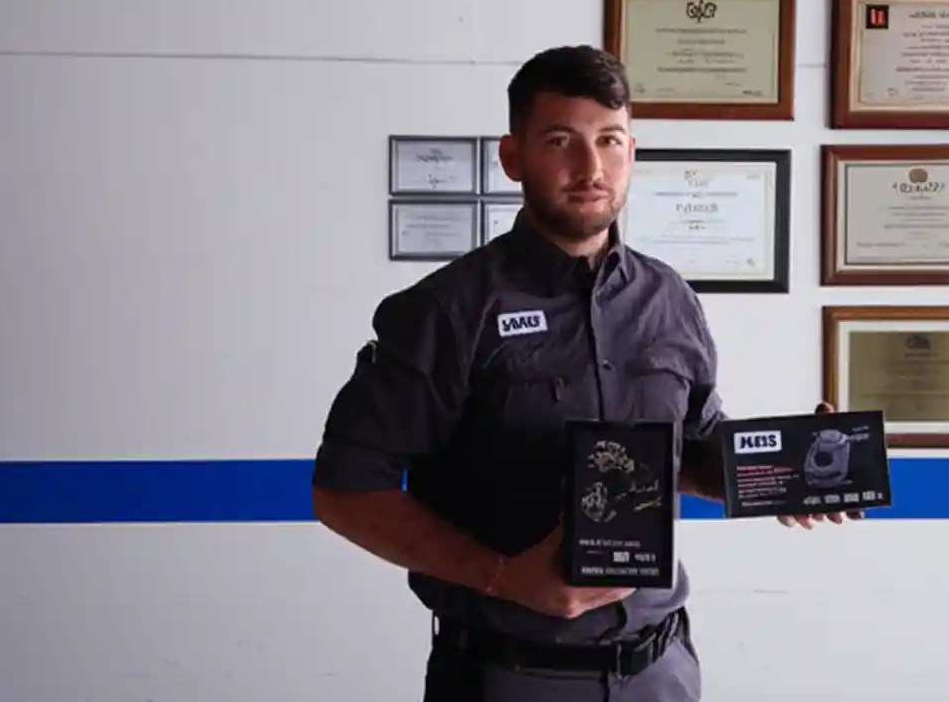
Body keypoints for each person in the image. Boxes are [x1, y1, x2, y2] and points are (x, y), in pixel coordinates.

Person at [311, 44, 856, 702]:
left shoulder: (669, 299)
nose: (591, 167)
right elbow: (344, 490)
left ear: (633, 150)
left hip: (661, 670)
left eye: (610, 141)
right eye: (561, 141)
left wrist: (791, 473)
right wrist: (501, 576)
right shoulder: (448, 310)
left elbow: (691, 450)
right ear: (514, 158)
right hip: (507, 676)